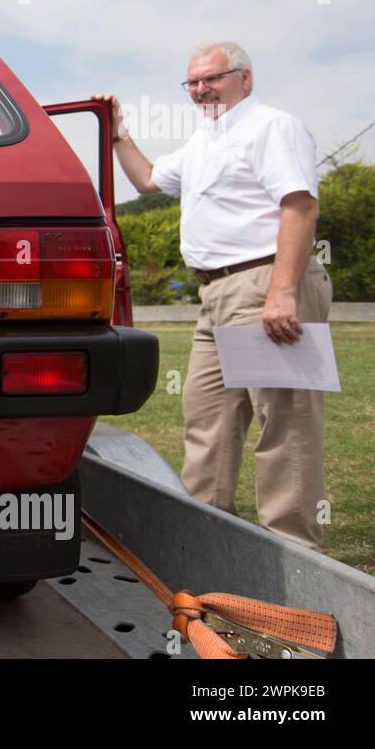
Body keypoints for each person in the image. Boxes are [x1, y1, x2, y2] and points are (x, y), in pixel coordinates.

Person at [95, 41, 331, 550]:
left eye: (213, 78)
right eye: (193, 82)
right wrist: (117, 134)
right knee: (208, 422)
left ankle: (294, 553)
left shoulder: (271, 126)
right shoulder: (206, 140)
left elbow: (299, 208)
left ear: (244, 78)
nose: (201, 89)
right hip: (215, 294)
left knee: (283, 422)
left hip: (263, 281)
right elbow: (150, 180)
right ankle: (206, 543)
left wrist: (281, 293)